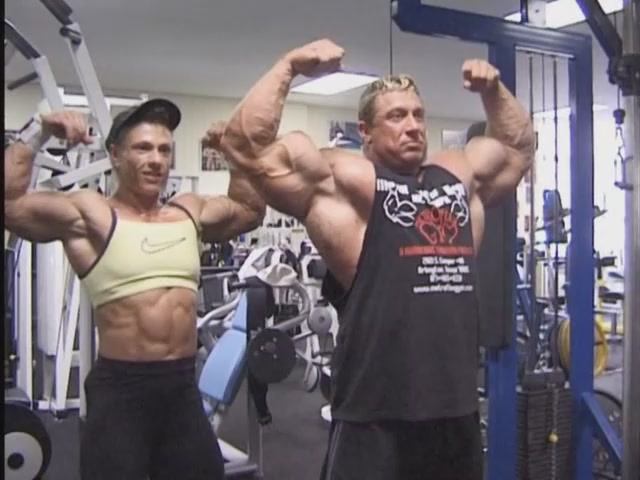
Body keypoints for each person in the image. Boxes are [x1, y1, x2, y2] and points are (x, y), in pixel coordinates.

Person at [215, 39, 535, 479]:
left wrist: (494, 92)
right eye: (396, 116)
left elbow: (518, 149)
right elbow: (245, 147)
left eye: (418, 114)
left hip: (456, 412)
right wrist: (288, 66)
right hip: (374, 417)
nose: (413, 126)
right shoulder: (347, 183)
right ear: (364, 131)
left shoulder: (459, 176)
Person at [4, 99, 265, 480]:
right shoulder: (91, 215)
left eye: (164, 150)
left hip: (182, 387)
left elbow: (250, 210)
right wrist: (38, 130)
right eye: (143, 148)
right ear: (115, 154)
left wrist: (235, 153)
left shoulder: (188, 211)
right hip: (121, 391)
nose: (156, 160)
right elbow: (10, 205)